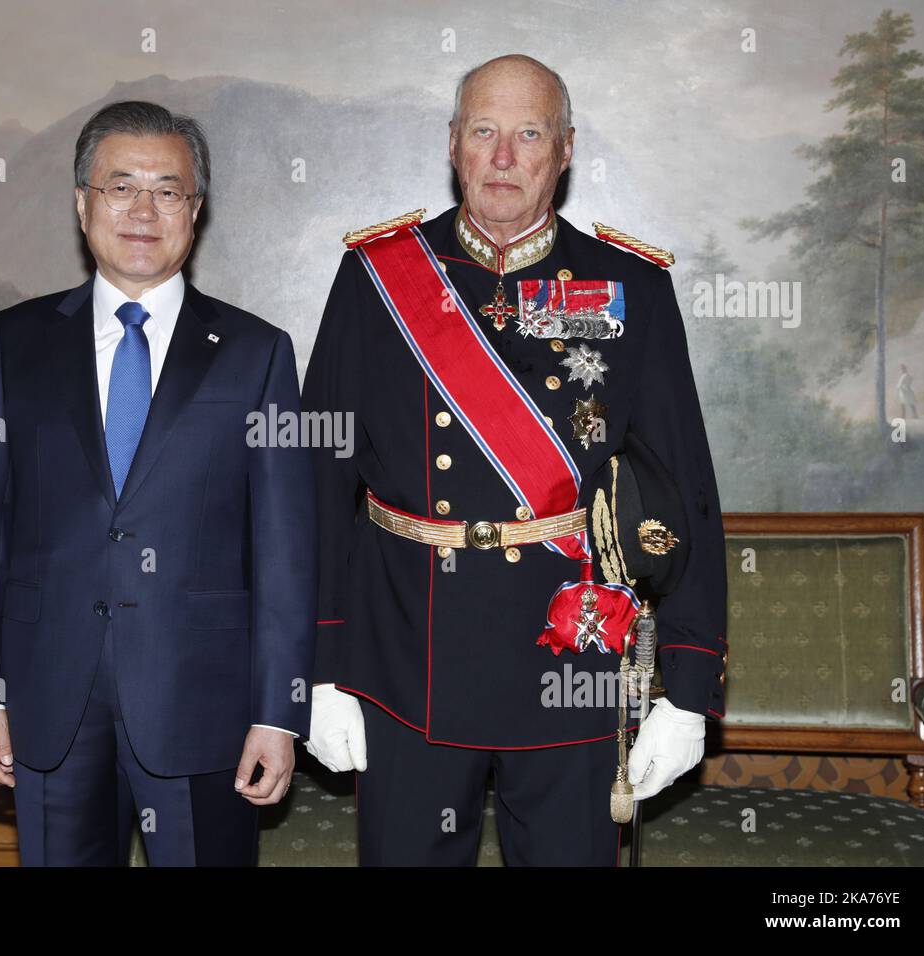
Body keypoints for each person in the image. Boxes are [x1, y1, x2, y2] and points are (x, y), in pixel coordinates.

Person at [302, 55, 727, 866]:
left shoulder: (628, 284)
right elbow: (319, 485)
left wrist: (689, 687)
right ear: (453, 145)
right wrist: (319, 671)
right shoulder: (376, 277)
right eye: (484, 132)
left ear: (563, 151)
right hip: (406, 659)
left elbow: (687, 490)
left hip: (572, 658)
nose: (503, 157)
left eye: (527, 133)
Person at [0, 100, 316, 866]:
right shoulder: (16, 342)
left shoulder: (256, 353)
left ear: (195, 211)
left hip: (204, 703)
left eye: (168, 190)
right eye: (121, 186)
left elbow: (286, 549)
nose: (144, 209)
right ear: (83, 204)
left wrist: (280, 711)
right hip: (48, 700)